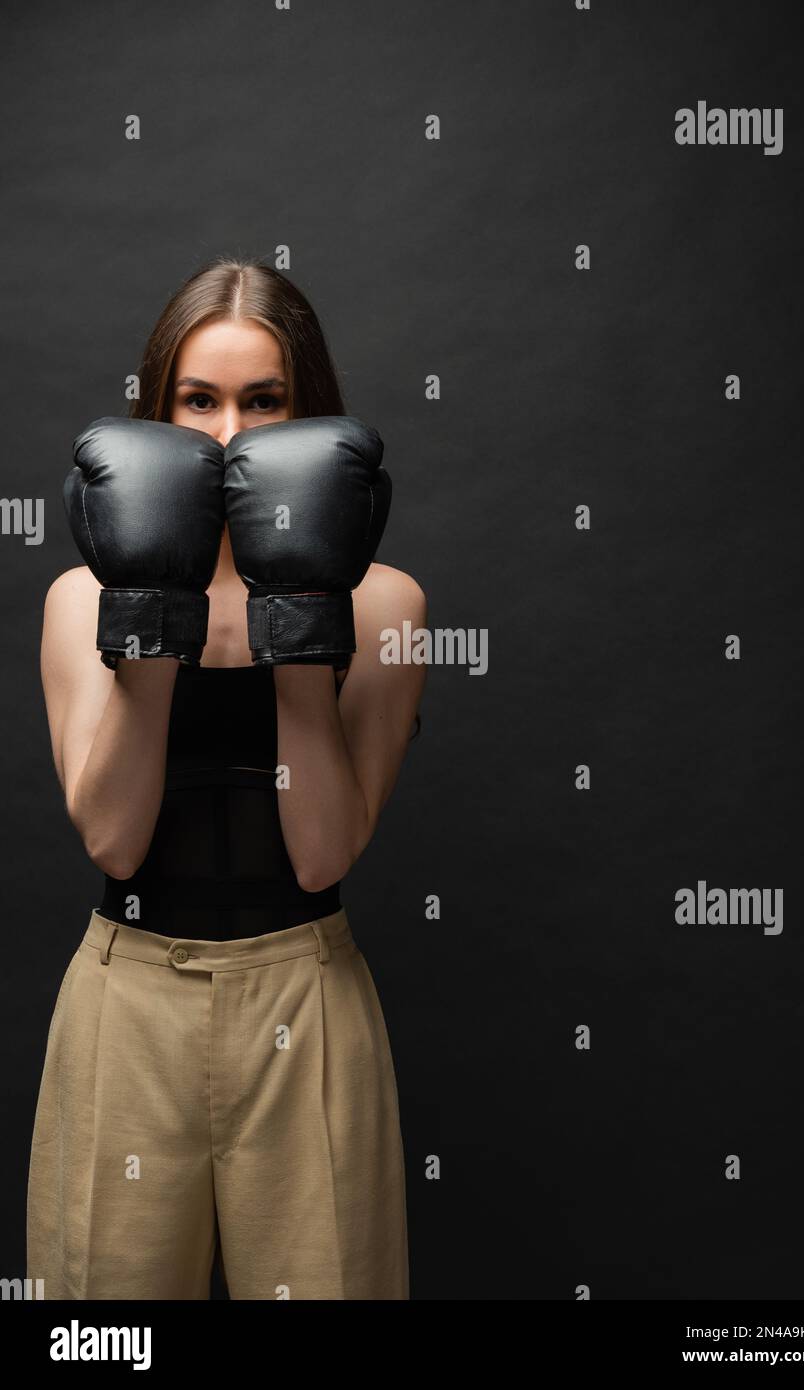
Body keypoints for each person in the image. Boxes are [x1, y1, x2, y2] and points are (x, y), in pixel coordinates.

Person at [26, 258, 427, 1300]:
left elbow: (323, 851)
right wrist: (152, 606)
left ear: (310, 418)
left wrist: (297, 606)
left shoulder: (384, 603)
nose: (226, 435)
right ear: (152, 416)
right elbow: (113, 841)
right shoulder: (81, 599)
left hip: (306, 990)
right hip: (127, 1001)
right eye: (196, 401)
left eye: (264, 402)